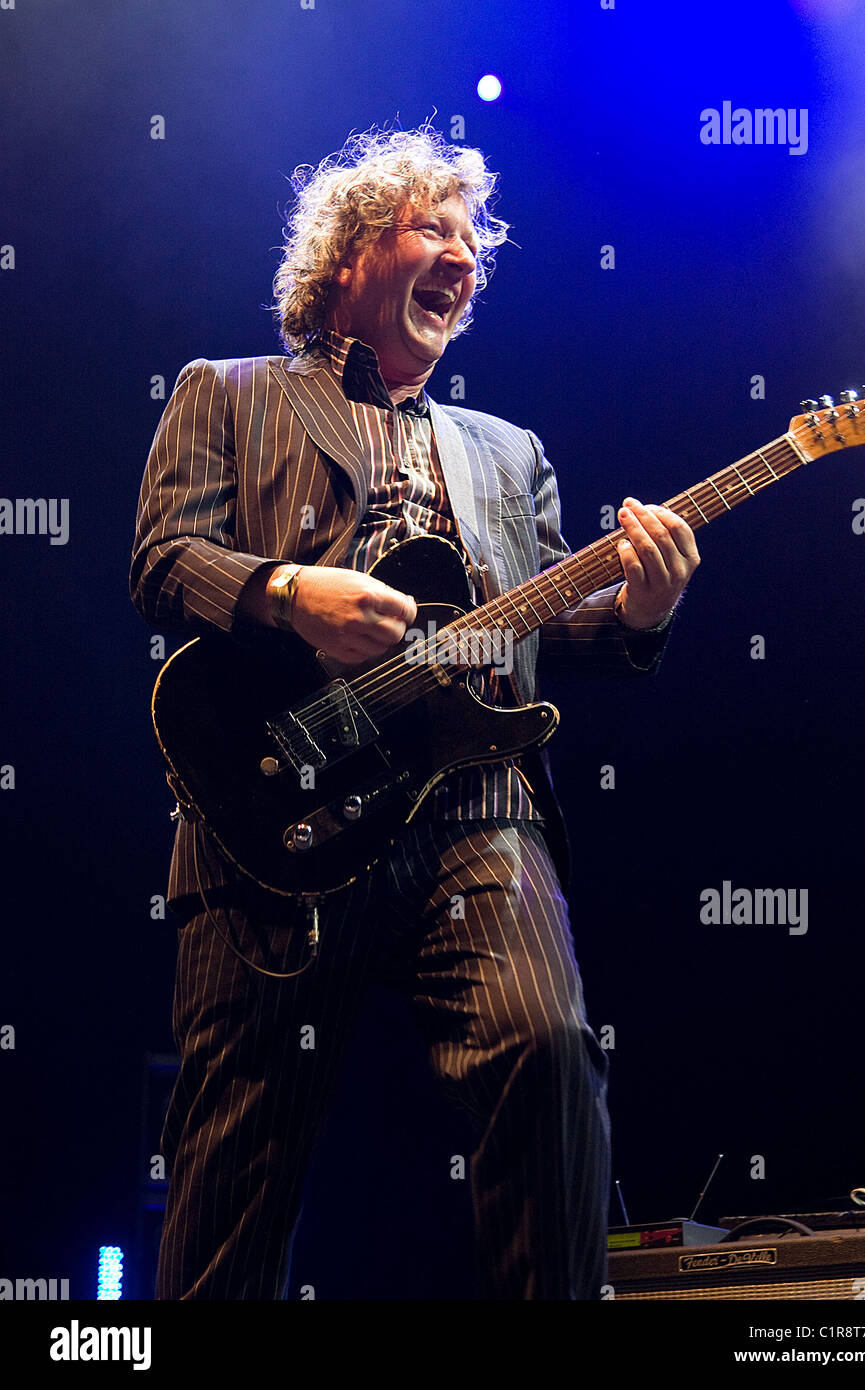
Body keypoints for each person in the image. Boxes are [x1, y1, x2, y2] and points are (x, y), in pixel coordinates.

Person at [130, 125, 699, 1300]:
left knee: (545, 1054)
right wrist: (288, 593)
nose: (462, 257)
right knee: (237, 1159)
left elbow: (545, 634)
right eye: (432, 229)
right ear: (347, 257)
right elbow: (161, 561)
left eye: (473, 240)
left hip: (473, 811)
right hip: (274, 815)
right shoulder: (226, 394)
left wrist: (641, 609)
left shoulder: (505, 452)